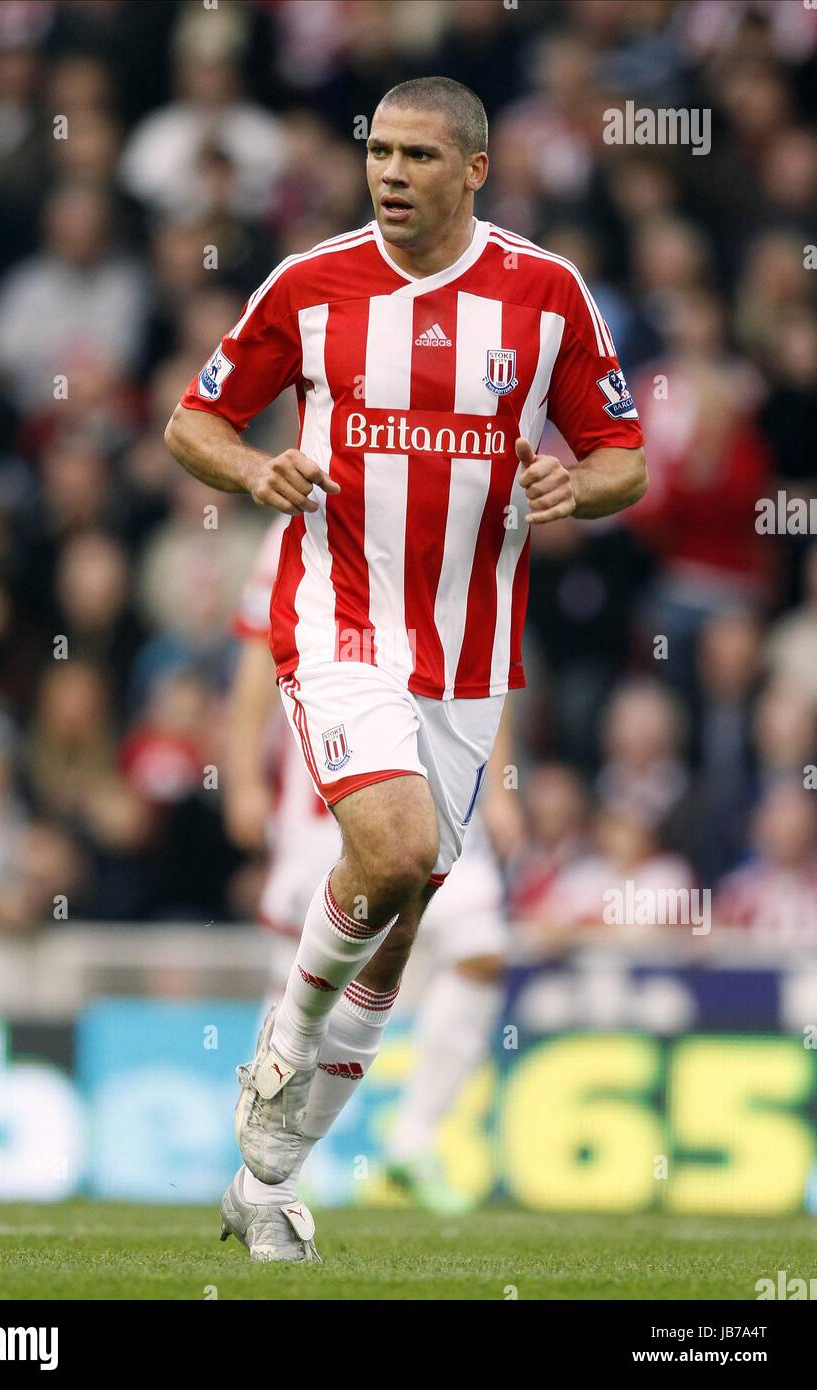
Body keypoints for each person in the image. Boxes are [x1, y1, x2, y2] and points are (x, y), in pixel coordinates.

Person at [165, 76, 647, 1261]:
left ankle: (264, 1176)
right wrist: (252, 472)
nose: (390, 172)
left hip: (469, 658)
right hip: (338, 618)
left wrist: (569, 485)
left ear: (474, 169)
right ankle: (281, 1042)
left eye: (419, 155)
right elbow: (193, 422)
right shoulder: (310, 283)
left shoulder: (544, 295)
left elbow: (622, 457)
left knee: (406, 905)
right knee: (391, 849)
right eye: (378, 149)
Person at [224, 514, 516, 1221]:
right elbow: (255, 667)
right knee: (303, 968)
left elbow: (484, 664)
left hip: (439, 775)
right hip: (328, 786)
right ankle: (281, 1163)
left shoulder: (463, 503)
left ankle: (412, 1141)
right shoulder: (296, 525)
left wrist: (501, 781)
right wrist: (239, 773)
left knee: (480, 948)